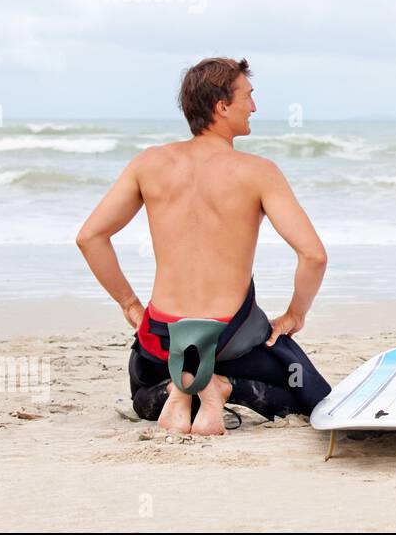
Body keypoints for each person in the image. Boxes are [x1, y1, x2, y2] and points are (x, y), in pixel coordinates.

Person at [76, 57, 330, 435]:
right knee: (313, 396)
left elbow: (90, 237)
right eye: (248, 96)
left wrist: (129, 305)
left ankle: (185, 387)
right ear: (222, 106)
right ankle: (224, 386)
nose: (255, 107)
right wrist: (295, 313)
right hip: (234, 340)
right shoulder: (258, 171)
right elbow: (313, 255)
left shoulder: (148, 163)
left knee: (144, 396)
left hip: (162, 341)